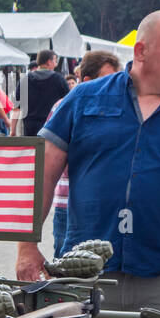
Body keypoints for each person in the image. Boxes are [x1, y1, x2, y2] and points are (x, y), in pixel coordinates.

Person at [15, 11, 160, 311]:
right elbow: (42, 175)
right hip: (86, 276)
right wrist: (27, 246)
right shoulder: (85, 98)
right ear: (141, 51)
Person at [46, 50, 123, 258]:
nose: (115, 86)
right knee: (66, 267)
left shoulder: (122, 109)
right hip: (67, 205)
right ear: (87, 80)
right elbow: (52, 162)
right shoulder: (64, 105)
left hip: (105, 209)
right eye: (108, 79)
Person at [15, 49, 69, 137]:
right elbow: (68, 103)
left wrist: (12, 131)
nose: (56, 64)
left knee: (32, 150)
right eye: (55, 61)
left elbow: (17, 108)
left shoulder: (25, 80)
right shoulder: (59, 80)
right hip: (52, 127)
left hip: (30, 129)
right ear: (49, 62)